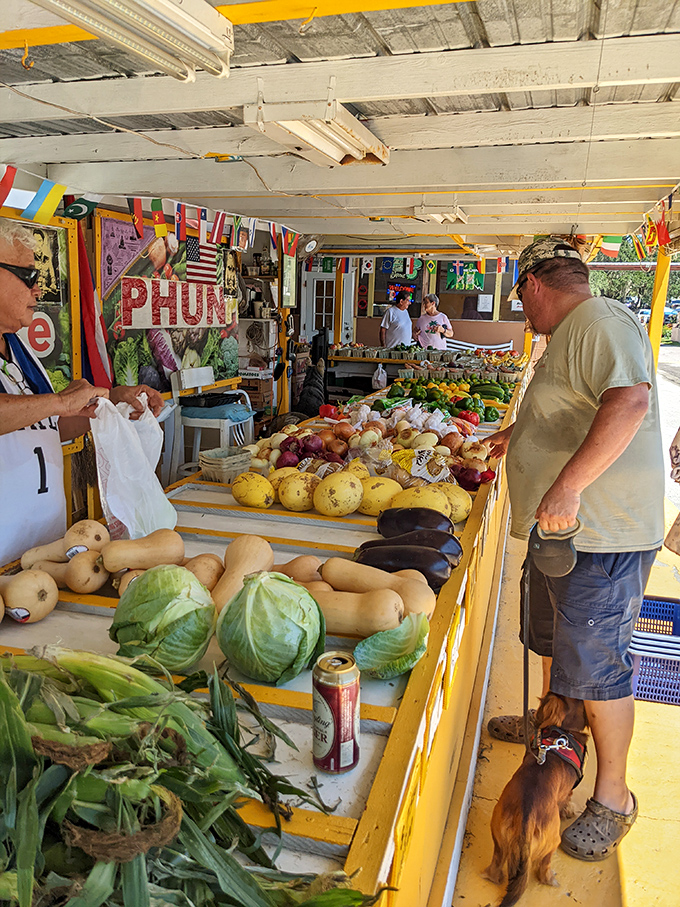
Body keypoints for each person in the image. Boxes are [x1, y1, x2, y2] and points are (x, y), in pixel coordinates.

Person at [485, 238, 663, 862]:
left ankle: (614, 800)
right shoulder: (571, 337)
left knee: (597, 661)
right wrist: (517, 435)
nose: (523, 313)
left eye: (520, 299)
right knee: (557, 644)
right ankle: (548, 732)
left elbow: (630, 402)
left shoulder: (599, 319)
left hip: (599, 532)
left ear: (534, 284)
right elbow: (573, 412)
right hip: (563, 533)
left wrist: (566, 487)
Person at [0, 219, 164, 566]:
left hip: (41, 549)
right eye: (29, 276)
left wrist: (108, 404)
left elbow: (46, 428)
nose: (38, 290)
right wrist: (60, 401)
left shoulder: (18, 347)